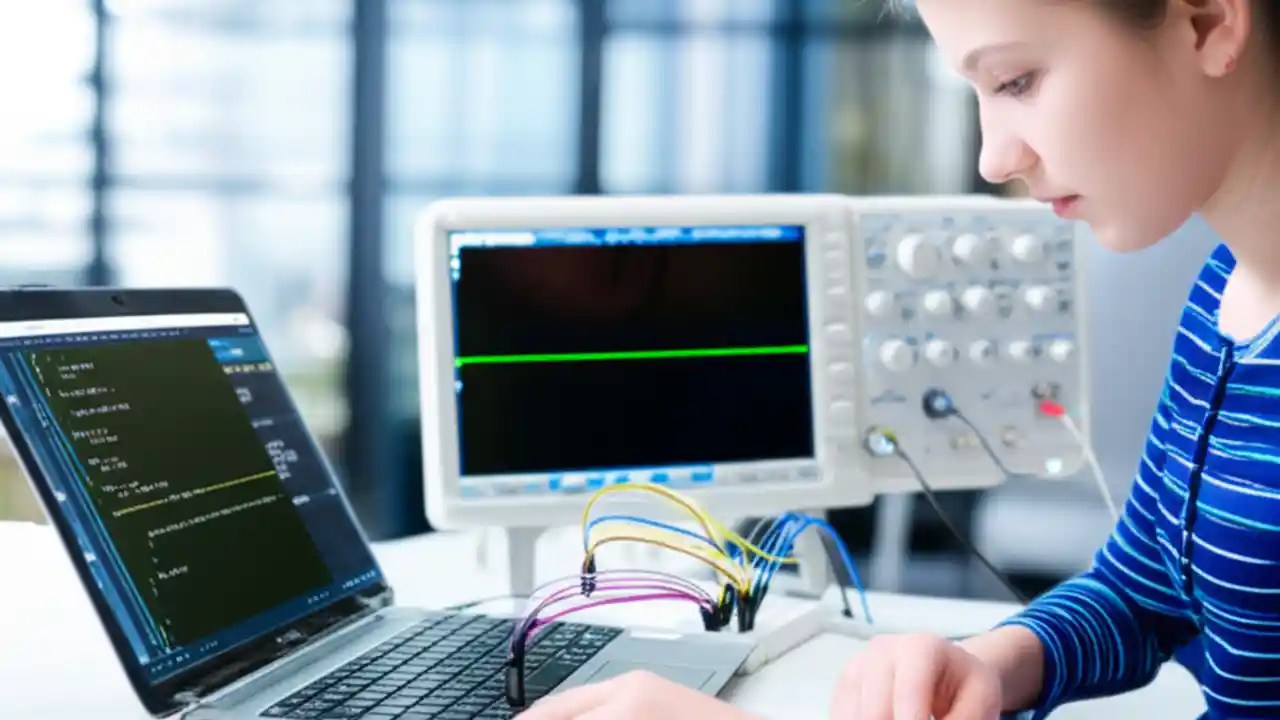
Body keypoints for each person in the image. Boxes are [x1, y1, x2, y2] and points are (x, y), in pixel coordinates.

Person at [515, 0, 1280, 716]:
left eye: (1017, 80)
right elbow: (1144, 591)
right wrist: (995, 660)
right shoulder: (1229, 292)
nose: (993, 156)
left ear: (1207, 21)